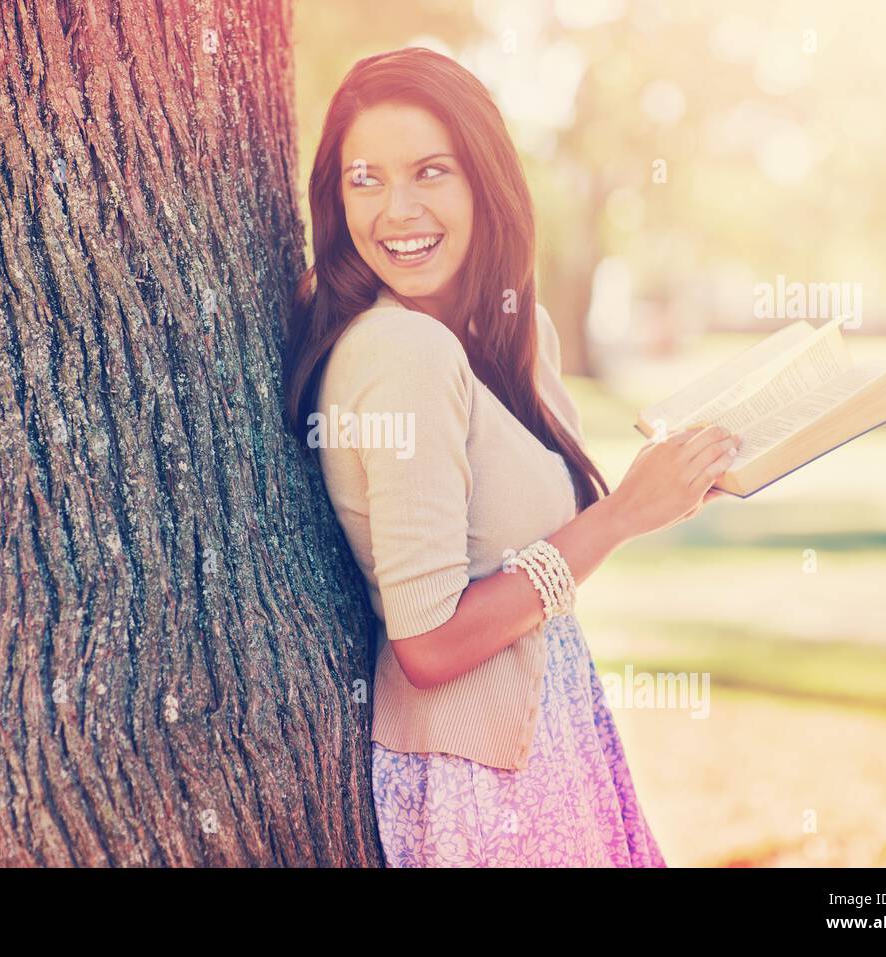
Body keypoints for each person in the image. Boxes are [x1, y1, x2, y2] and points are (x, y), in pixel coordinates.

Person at [282, 47, 740, 867]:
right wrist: (624, 515)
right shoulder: (402, 351)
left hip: (554, 731)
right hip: (482, 783)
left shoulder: (512, 339)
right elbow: (427, 646)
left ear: (485, 177)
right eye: (366, 179)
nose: (397, 211)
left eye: (430, 171)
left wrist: (662, 491)